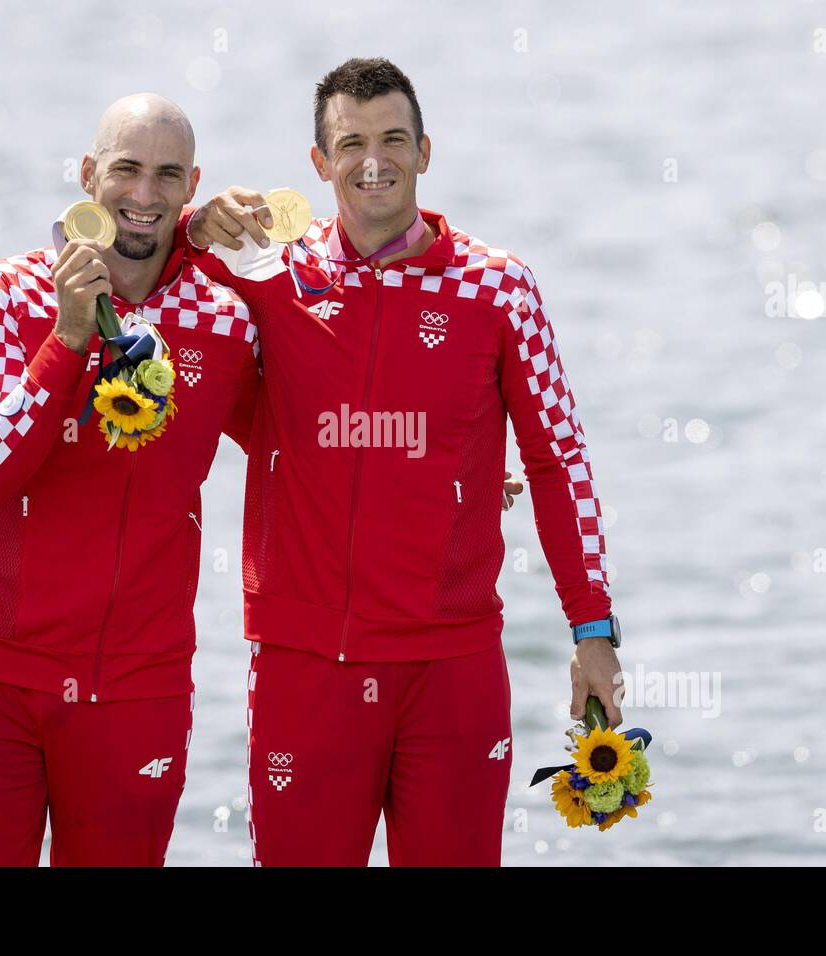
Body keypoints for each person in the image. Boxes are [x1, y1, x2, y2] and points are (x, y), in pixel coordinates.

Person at [185, 57, 624, 866]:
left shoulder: (499, 289)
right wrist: (195, 222)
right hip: (305, 666)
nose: (373, 160)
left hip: (450, 668)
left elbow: (558, 459)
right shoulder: (270, 275)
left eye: (393, 138)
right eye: (350, 144)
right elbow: (140, 273)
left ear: (427, 151)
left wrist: (592, 629)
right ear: (319, 164)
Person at [0, 93, 259, 865]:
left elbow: (304, 444)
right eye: (126, 170)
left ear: (192, 187)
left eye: (167, 176)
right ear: (87, 176)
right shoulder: (4, 294)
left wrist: (455, 456)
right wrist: (68, 339)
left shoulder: (224, 319)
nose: (144, 195)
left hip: (135, 688)